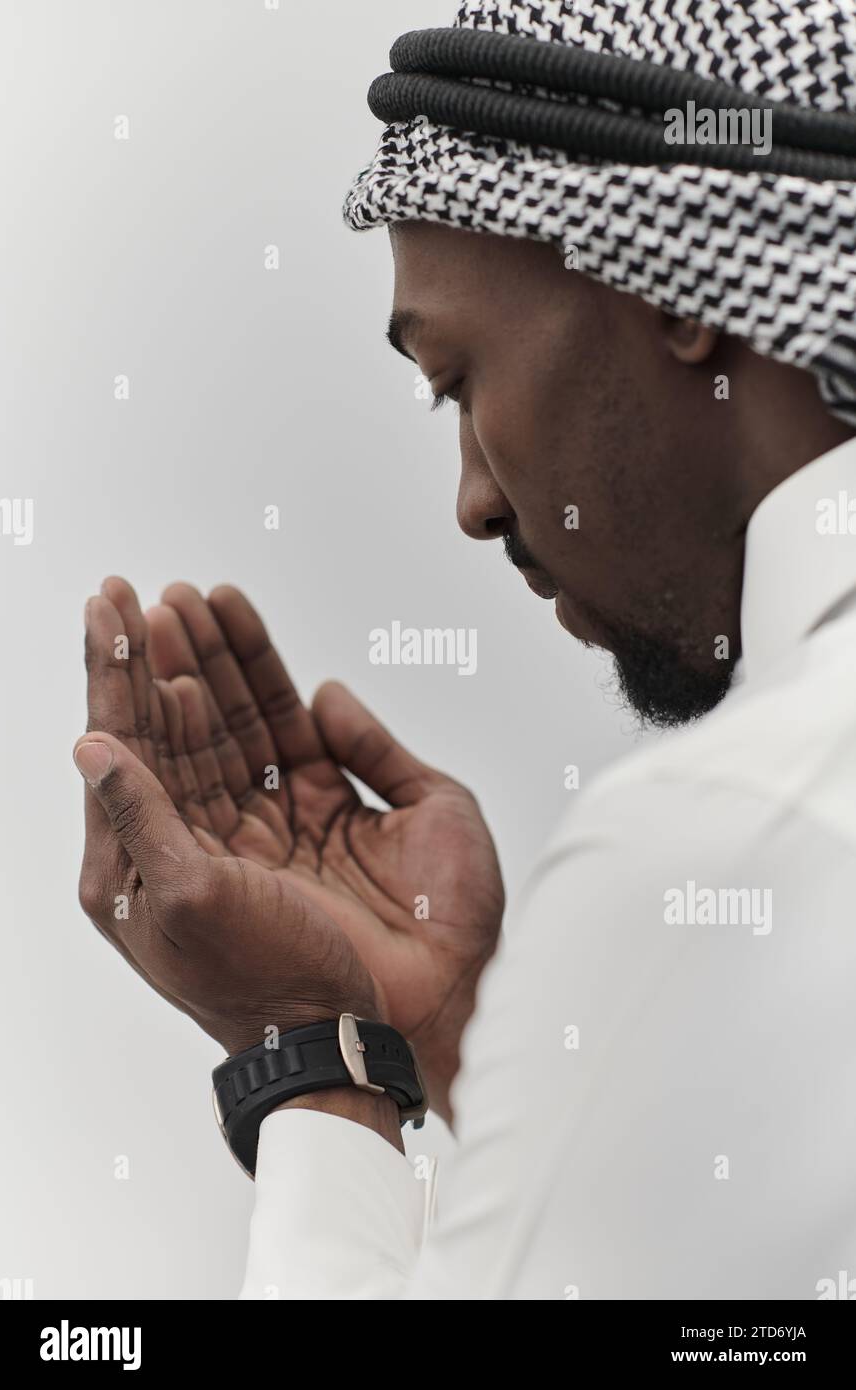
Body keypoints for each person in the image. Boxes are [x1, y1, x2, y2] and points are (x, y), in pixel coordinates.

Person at [74, 0, 856, 1298]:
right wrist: (477, 1042)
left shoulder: (736, 834)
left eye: (456, 378)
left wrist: (317, 1065)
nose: (473, 501)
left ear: (671, 286)